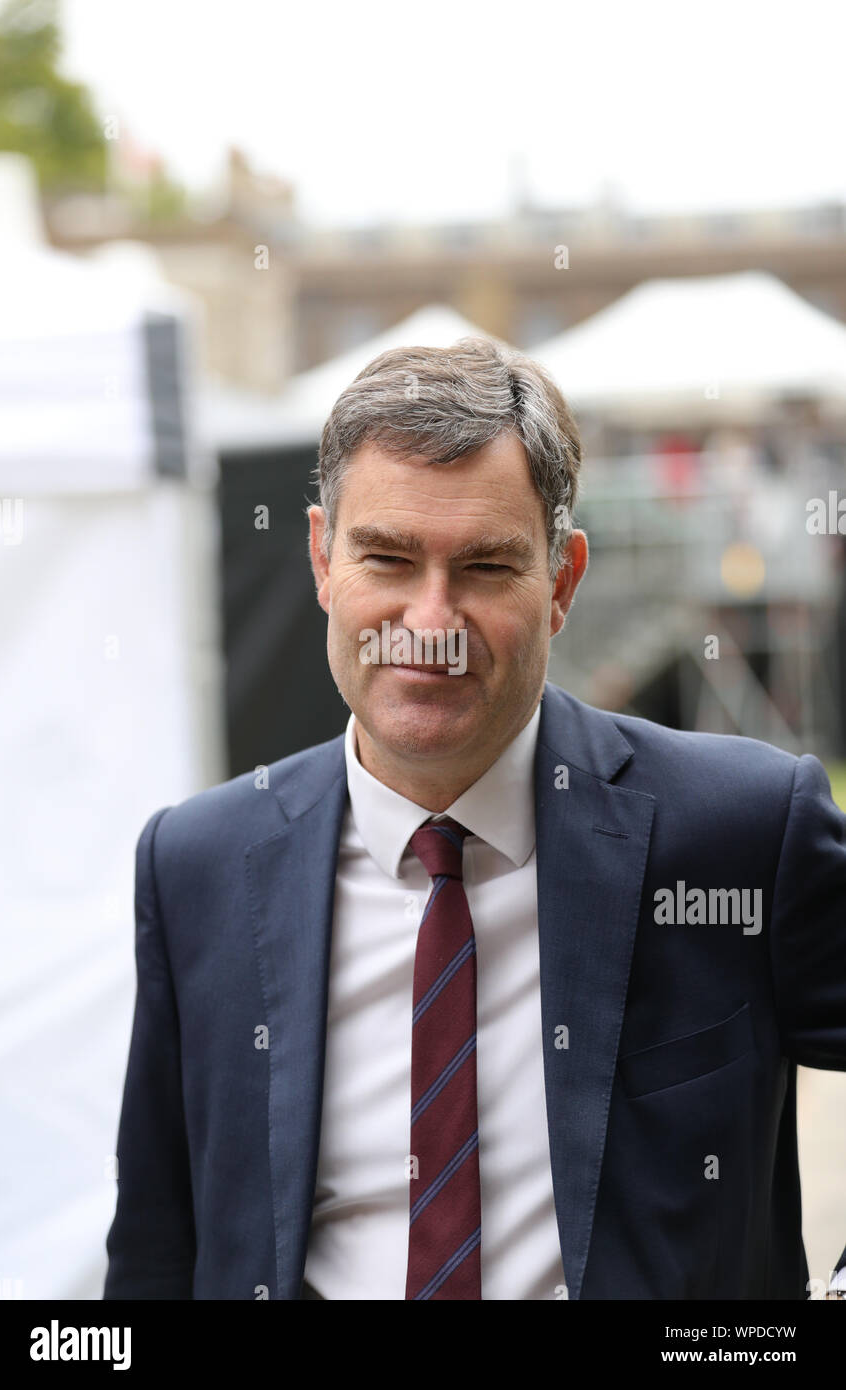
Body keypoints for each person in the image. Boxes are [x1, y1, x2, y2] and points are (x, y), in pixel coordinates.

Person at [103, 337, 846, 1300]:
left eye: (488, 568)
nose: (431, 618)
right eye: (388, 557)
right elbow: (156, 1251)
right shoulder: (197, 864)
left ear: (563, 583)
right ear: (323, 559)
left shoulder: (740, 831)